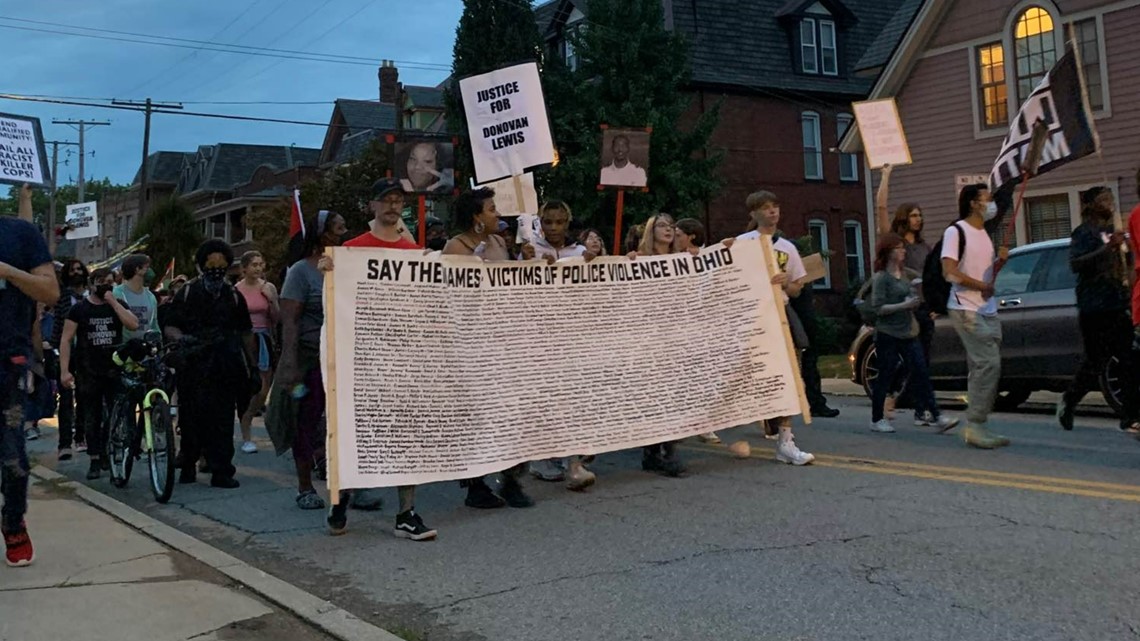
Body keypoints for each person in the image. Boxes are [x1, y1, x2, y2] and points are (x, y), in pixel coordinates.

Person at [444, 188, 536, 506]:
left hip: (504, 339)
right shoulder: (455, 246)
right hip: (473, 343)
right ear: (476, 217)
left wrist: (528, 263)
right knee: (479, 416)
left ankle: (511, 477)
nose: (497, 214)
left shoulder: (499, 243)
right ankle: (476, 484)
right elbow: (453, 295)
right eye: (491, 209)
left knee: (512, 412)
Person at [165, 240, 258, 488]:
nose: (216, 269)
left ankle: (221, 470)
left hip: (225, 366)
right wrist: (182, 339)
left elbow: (245, 332)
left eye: (221, 264)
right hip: (193, 365)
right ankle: (188, 464)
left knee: (223, 420)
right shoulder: (187, 293)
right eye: (211, 264)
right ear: (201, 265)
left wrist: (253, 366)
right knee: (190, 417)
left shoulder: (234, 296)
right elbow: (171, 325)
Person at [0, 192, 59, 567]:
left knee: (11, 454)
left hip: (7, 359)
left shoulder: (20, 234)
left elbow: (50, 291)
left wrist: (6, 271)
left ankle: (13, 520)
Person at [738, 191, 815, 465]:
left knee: (789, 375)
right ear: (753, 213)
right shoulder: (742, 244)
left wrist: (785, 283)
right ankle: (745, 421)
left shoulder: (788, 248)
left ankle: (786, 439)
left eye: (775, 207)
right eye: (766, 208)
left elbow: (797, 288)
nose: (772, 212)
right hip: (752, 316)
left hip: (781, 313)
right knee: (748, 375)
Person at [1058, 186, 1139, 433]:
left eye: (1111, 198)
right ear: (1091, 204)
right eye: (1104, 199)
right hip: (1094, 305)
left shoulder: (1113, 232)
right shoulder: (1084, 233)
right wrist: (1107, 248)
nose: (1110, 203)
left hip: (1117, 301)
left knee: (1127, 359)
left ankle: (1130, 416)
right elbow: (1076, 264)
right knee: (1095, 362)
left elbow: (1128, 265)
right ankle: (1070, 400)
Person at [940, 184, 1010, 449]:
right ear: (972, 202)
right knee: (988, 364)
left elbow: (985, 274)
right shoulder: (956, 231)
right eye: (986, 198)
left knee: (983, 366)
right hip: (965, 307)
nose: (991, 203)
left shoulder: (984, 234)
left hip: (987, 308)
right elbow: (950, 271)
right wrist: (981, 287)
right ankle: (975, 424)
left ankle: (978, 424)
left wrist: (1000, 262)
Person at [868, 234, 958, 434]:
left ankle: (937, 415)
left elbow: (918, 287)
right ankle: (877, 418)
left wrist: (919, 301)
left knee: (921, 372)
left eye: (903, 248)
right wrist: (903, 305)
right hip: (887, 333)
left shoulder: (907, 274)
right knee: (886, 375)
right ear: (888, 252)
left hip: (909, 331)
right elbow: (878, 308)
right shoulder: (882, 278)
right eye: (898, 248)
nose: (902, 251)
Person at [59, 268, 140, 481]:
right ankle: (95, 458)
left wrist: (113, 302)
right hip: (88, 369)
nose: (106, 285)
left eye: (110, 282)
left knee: (114, 414)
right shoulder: (80, 310)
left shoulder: (117, 305)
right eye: (102, 282)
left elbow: (133, 324)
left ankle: (108, 451)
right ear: (91, 284)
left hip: (113, 367)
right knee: (91, 416)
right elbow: (66, 339)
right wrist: (65, 371)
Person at [875, 165, 936, 424]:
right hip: (901, 308)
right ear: (903, 218)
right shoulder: (895, 243)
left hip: (922, 308)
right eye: (913, 215)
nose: (918, 219)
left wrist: (934, 304)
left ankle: (921, 410)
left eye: (920, 215)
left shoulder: (924, 246)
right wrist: (886, 176)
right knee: (907, 360)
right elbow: (880, 209)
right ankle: (890, 394)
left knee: (923, 362)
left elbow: (932, 277)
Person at [236, 251, 280, 454]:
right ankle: (246, 435)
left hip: (264, 340)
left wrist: (271, 300)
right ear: (244, 268)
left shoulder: (268, 287)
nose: (258, 268)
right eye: (254, 264)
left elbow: (277, 318)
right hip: (243, 341)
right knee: (246, 387)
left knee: (263, 389)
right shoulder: (236, 290)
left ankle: (250, 415)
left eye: (261, 264)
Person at [51, 258, 89, 458]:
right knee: (65, 400)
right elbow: (58, 325)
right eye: (72, 270)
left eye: (79, 269)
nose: (76, 272)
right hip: (67, 353)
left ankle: (81, 436)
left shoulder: (91, 296)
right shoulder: (63, 297)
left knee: (84, 397)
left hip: (87, 353)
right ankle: (64, 444)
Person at [346, 179, 424, 249]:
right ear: (372, 205)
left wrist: (432, 259)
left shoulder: (414, 252)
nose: (393, 206)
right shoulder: (352, 248)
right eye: (386, 201)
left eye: (398, 201)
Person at [112, 254, 160, 342]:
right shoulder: (117, 293)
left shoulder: (151, 297)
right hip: (124, 350)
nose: (150, 271)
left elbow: (154, 324)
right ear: (137, 269)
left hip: (146, 351)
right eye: (147, 267)